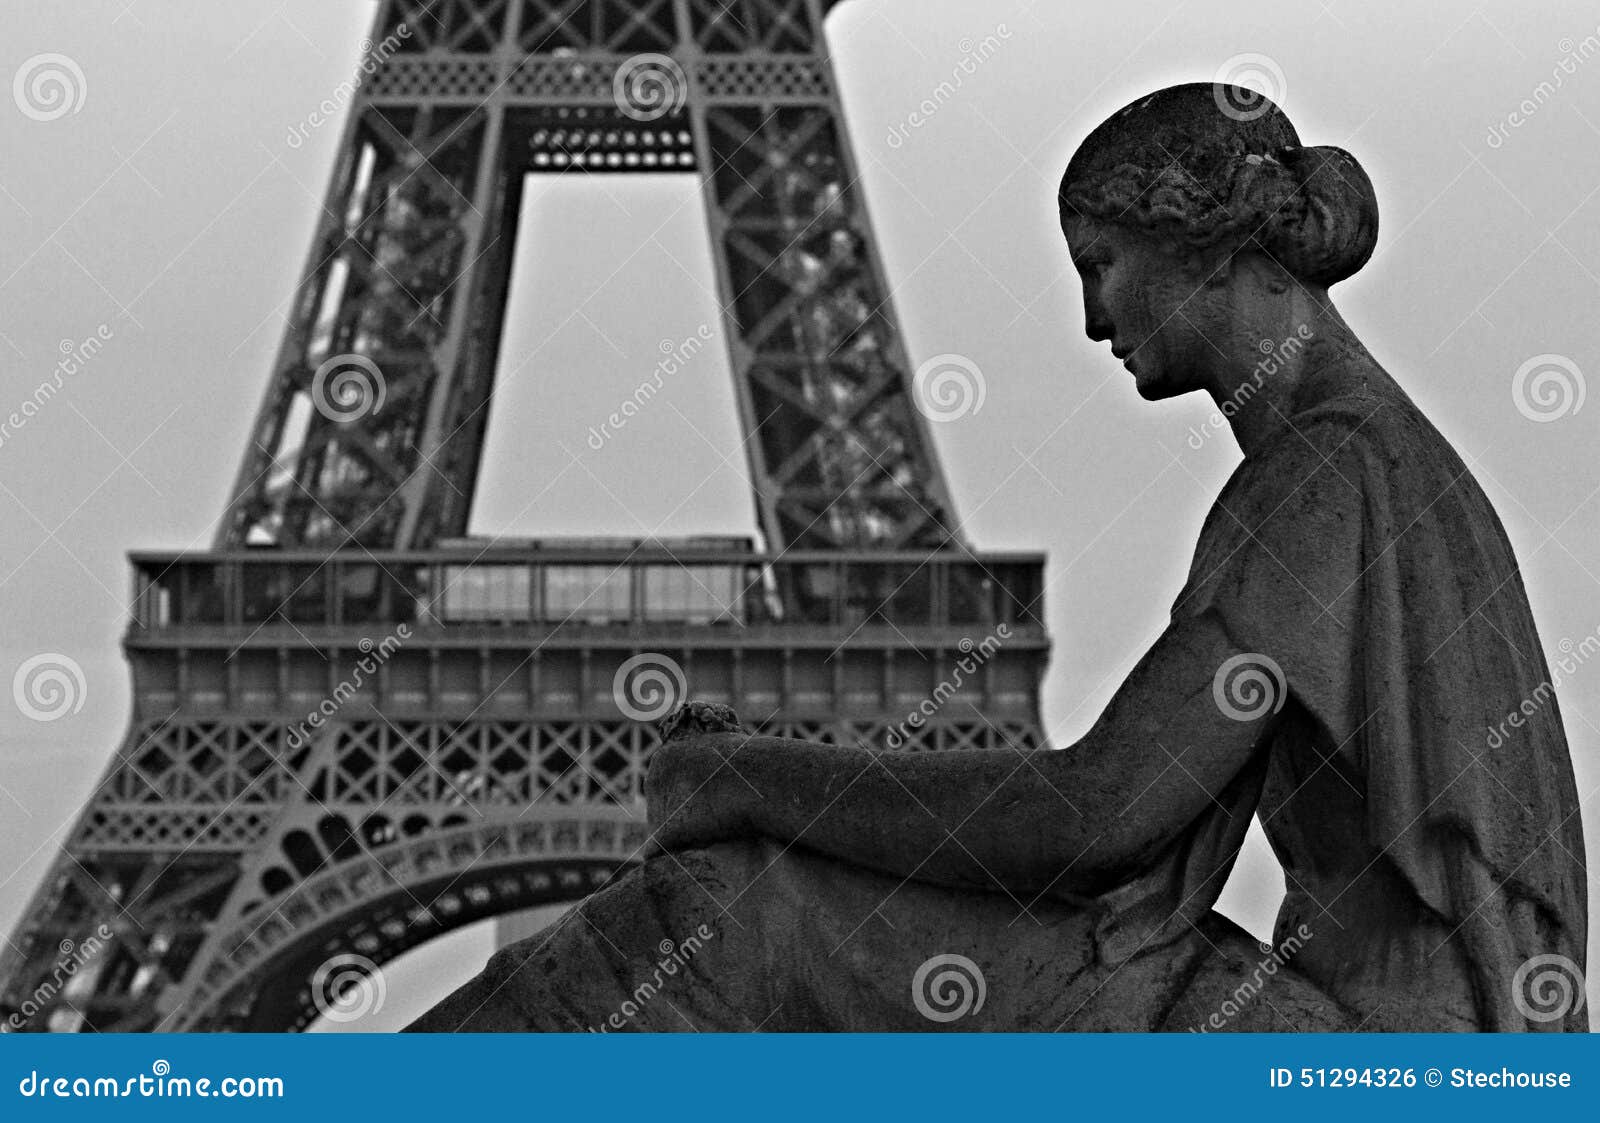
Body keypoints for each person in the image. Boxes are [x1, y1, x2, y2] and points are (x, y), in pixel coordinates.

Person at [409, 84, 1587, 1033]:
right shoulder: (1368, 456)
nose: (1089, 318)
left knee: (734, 909)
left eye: (1100, 262)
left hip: (1370, 1054)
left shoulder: (1324, 473)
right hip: (1374, 1031)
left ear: (1208, 251)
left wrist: (752, 778)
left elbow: (1099, 814)